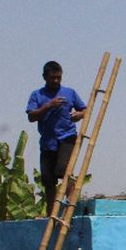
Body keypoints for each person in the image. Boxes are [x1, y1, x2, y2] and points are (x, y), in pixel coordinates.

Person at [26, 60, 87, 212]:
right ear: (45, 77)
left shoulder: (69, 92)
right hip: (48, 142)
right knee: (48, 179)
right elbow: (31, 116)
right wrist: (48, 106)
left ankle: (71, 205)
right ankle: (51, 210)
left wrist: (78, 115)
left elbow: (86, 110)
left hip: (67, 137)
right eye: (53, 78)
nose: (56, 81)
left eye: (59, 77)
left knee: (63, 170)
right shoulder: (37, 95)